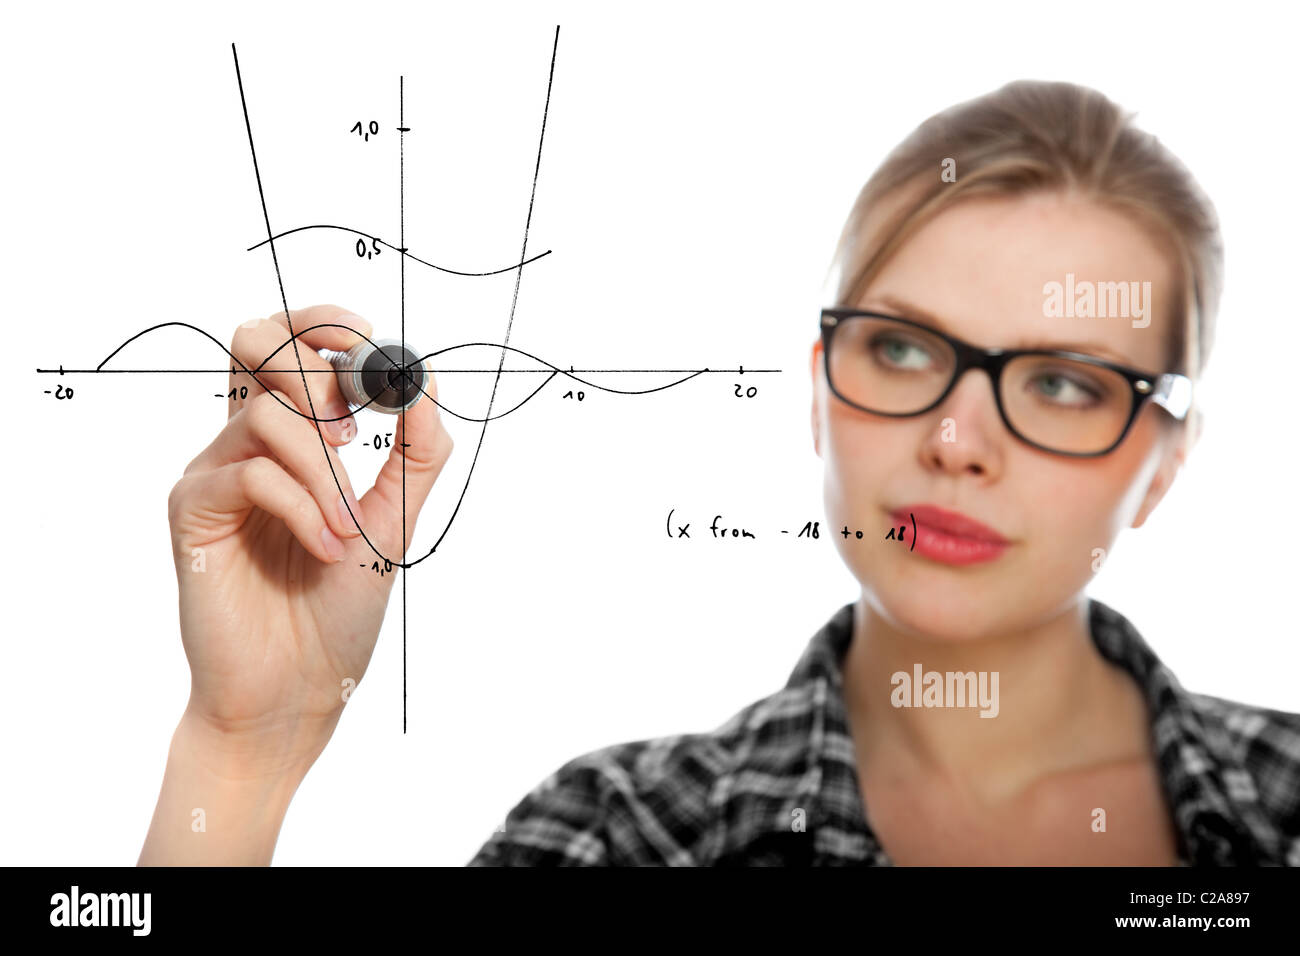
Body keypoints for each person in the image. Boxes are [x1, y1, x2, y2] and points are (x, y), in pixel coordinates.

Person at [140, 79, 1300, 867]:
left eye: (1061, 382)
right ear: (816, 387)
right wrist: (243, 748)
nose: (956, 438)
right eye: (900, 348)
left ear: (1161, 463)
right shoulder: (621, 838)